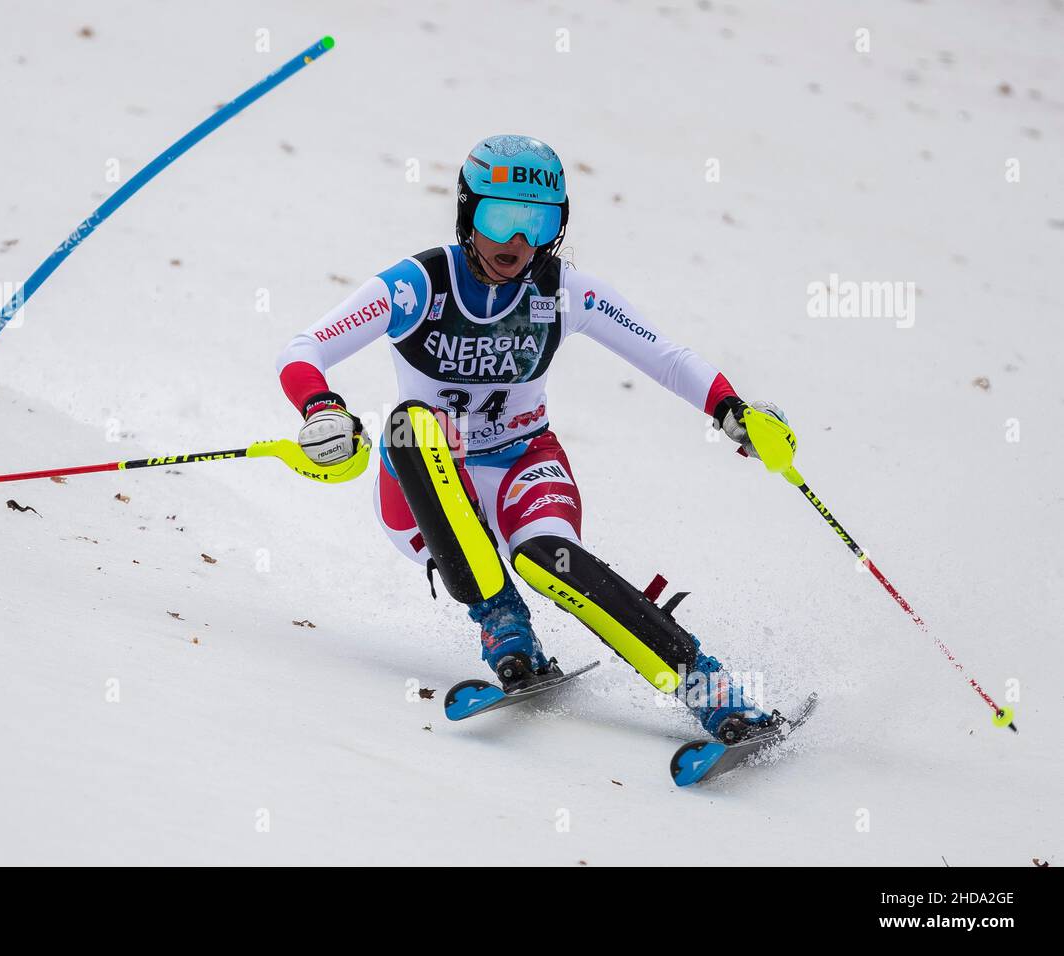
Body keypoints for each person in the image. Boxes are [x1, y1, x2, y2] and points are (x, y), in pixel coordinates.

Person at [275, 134, 789, 743]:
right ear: (468, 213)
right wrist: (320, 407)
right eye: (501, 218)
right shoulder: (419, 285)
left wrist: (730, 407)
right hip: (424, 492)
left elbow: (667, 357)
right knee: (411, 427)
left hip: (525, 463)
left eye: (538, 223)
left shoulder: (563, 290)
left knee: (549, 559)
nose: (518, 244)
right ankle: (499, 618)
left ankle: (710, 688)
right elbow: (303, 350)